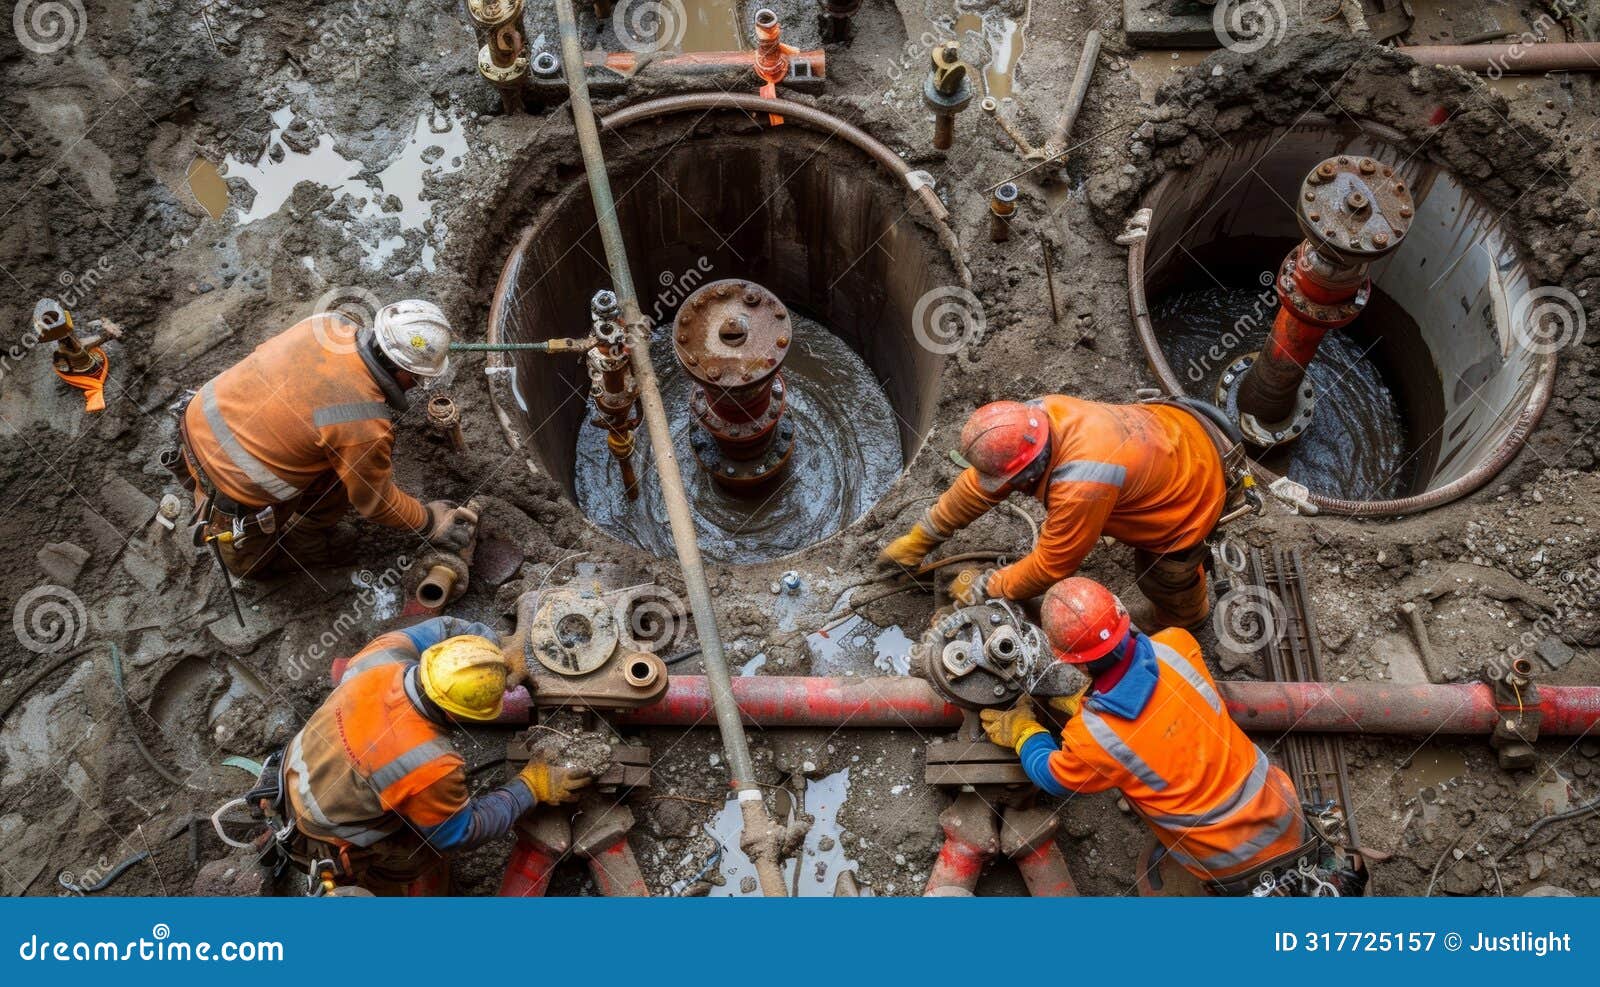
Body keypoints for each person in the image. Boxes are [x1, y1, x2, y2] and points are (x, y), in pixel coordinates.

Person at [981, 577, 1362, 896]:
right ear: (1122, 616)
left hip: (1228, 861)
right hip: (1283, 811)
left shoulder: (1093, 738)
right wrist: (1086, 705)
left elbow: (1052, 776)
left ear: (1067, 657)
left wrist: (1023, 732)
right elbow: (1159, 703)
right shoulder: (1178, 645)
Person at [282, 617, 588, 895]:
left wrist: (489, 650)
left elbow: (445, 628)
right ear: (457, 714)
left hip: (294, 778)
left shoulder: (380, 657)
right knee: (421, 854)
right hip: (327, 840)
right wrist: (531, 787)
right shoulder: (429, 764)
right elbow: (462, 831)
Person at [177, 300, 477, 577]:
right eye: (416, 377)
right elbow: (375, 503)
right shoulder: (363, 421)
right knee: (249, 567)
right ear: (402, 371)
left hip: (198, 420)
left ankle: (301, 519)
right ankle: (301, 544)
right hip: (232, 487)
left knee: (337, 460)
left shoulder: (324, 326)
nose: (415, 385)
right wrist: (428, 520)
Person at [879, 397, 1228, 626]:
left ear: (1029, 472)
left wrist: (988, 586)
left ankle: (1183, 618)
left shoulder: (1082, 484)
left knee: (1164, 575)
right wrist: (921, 537)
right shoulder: (1034, 421)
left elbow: (1052, 566)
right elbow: (977, 487)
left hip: (1192, 497)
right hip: (1173, 433)